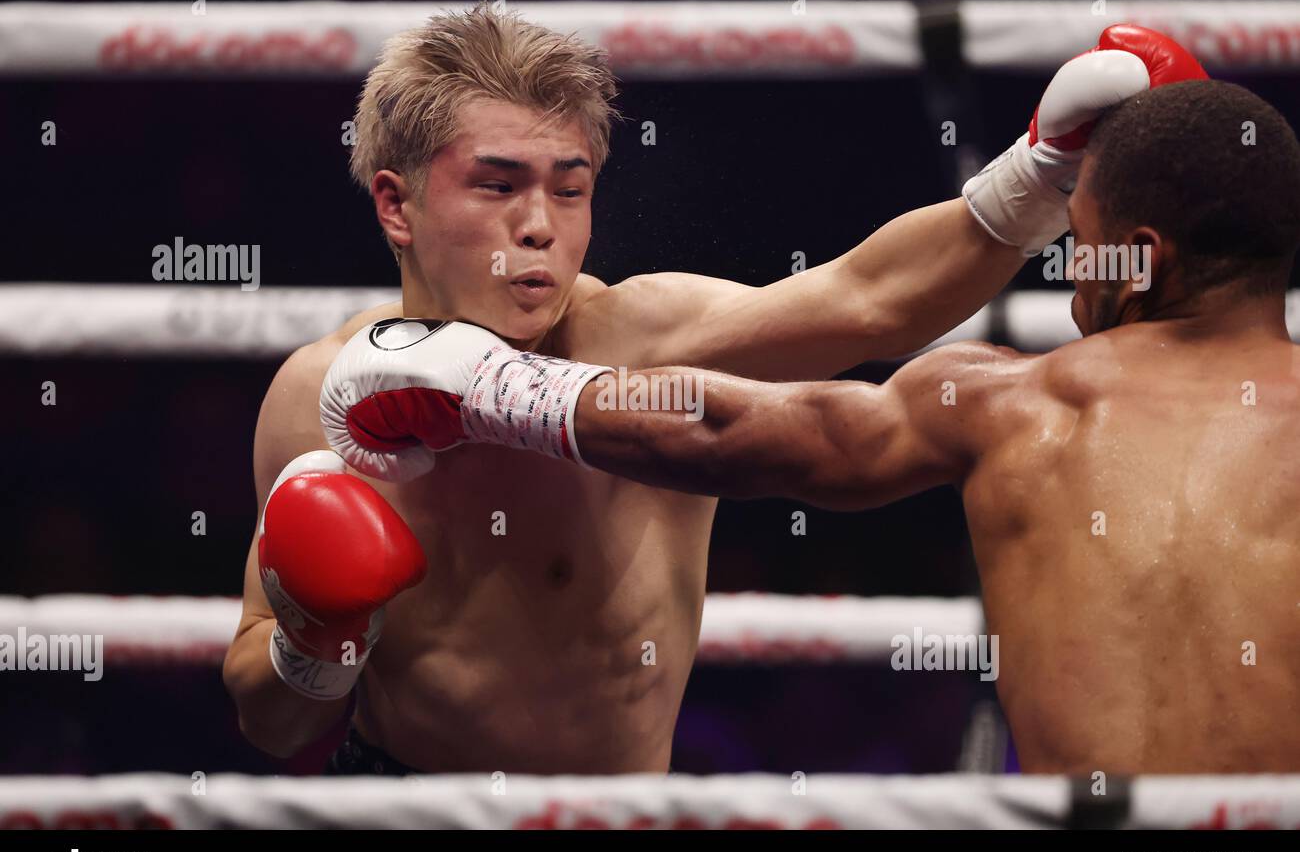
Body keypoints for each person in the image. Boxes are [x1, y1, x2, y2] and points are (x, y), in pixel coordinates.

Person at [224, 4, 1197, 774]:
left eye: (568, 188)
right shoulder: (316, 394)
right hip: (401, 807)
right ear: (396, 202)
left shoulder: (640, 336)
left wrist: (1038, 173)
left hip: (620, 814)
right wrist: (316, 636)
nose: (539, 225)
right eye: (496, 184)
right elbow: (271, 723)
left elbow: (870, 300)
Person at [386, 79, 1300, 774]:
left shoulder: (1023, 405)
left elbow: (741, 435)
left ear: (1139, 259)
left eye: (1083, 242)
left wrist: (496, 385)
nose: (1073, 286)